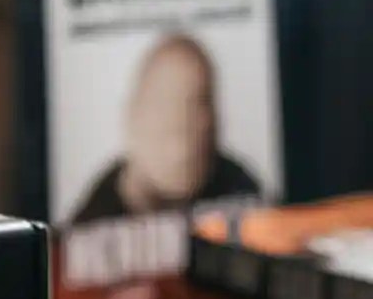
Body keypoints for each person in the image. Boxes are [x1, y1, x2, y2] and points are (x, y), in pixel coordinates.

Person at [69, 33, 261, 225]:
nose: (185, 123)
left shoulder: (243, 194)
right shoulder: (91, 224)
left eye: (200, 102)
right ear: (132, 116)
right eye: (167, 103)